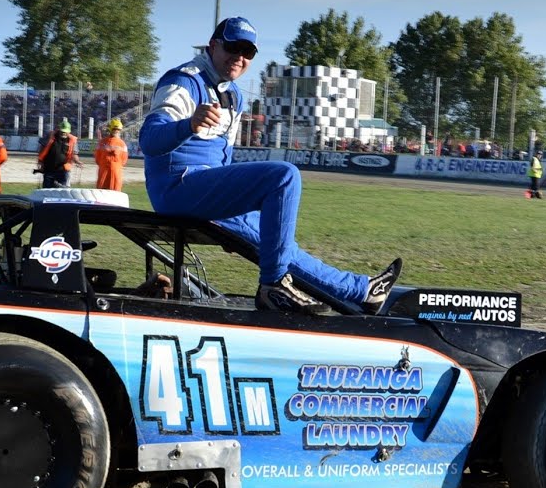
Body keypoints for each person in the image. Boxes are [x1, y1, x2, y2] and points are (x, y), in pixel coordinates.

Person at [138, 16, 402, 316]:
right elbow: (148, 141)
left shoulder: (234, 94)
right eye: (233, 47)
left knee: (277, 239)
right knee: (284, 176)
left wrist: (226, 209)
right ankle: (273, 286)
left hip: (204, 190)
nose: (239, 57)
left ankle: (361, 291)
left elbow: (223, 158)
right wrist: (188, 125)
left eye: (248, 52)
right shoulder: (183, 81)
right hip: (177, 189)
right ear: (213, 46)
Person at [35, 119, 81, 188]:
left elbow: (74, 154)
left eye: (65, 132)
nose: (63, 133)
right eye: (62, 131)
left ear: (69, 131)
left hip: (63, 170)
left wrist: (77, 161)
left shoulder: (72, 140)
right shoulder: (50, 136)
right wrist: (40, 161)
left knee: (62, 190)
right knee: (47, 190)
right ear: (59, 129)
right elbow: (42, 148)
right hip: (49, 168)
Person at [95, 118, 129, 191]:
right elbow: (97, 158)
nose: (117, 131)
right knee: (102, 192)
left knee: (114, 192)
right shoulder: (102, 142)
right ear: (111, 129)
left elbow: (124, 160)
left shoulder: (122, 144)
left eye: (118, 130)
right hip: (105, 171)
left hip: (115, 172)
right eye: (115, 129)